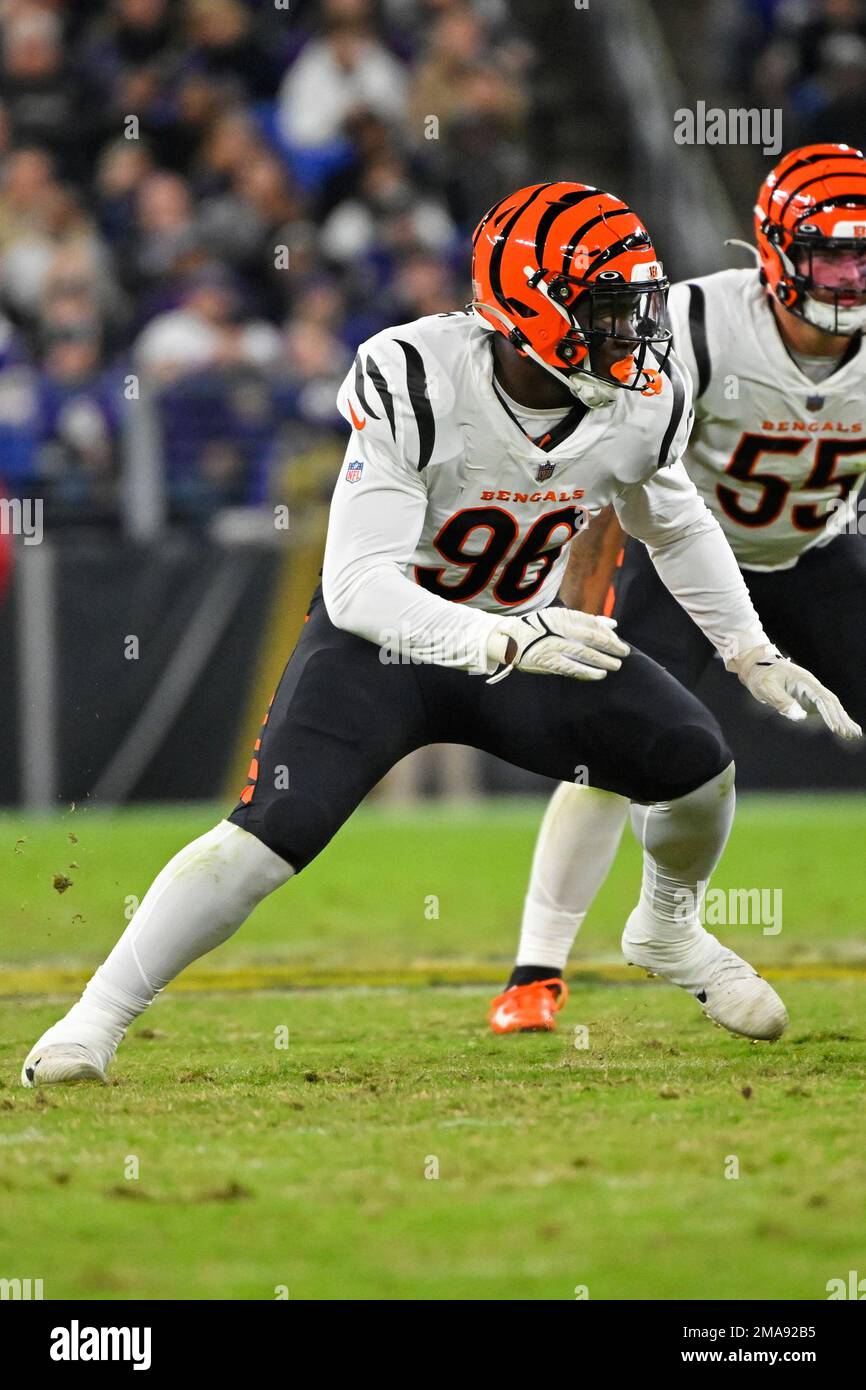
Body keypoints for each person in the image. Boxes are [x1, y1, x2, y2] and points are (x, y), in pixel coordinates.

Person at [22, 179, 860, 1087]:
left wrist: (749, 651)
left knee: (695, 765)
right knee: (270, 835)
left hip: (529, 637)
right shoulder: (418, 377)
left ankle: (666, 926)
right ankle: (93, 1019)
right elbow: (354, 587)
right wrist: (500, 641)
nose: (636, 334)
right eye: (610, 310)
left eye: (636, 307)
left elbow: (678, 522)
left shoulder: (639, 401)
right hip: (390, 647)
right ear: (535, 309)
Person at [492, 144, 866, 1036]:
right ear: (776, 252)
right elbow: (622, 475)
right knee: (608, 748)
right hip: (687, 565)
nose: (850, 281)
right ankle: (535, 971)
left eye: (865, 258)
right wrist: (583, 611)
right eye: (832, 256)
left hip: (814, 557)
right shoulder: (695, 324)